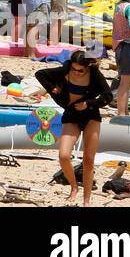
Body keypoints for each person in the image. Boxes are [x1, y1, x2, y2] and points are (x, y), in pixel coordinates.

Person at [35, 50, 112, 206]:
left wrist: (88, 104)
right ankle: (74, 187)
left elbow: (108, 96)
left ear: (88, 67)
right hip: (71, 115)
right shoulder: (65, 69)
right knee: (63, 156)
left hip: (91, 116)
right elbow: (40, 74)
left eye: (80, 70)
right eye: (74, 69)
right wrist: (52, 88)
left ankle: (86, 200)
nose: (76, 72)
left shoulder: (95, 74)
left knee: (88, 161)